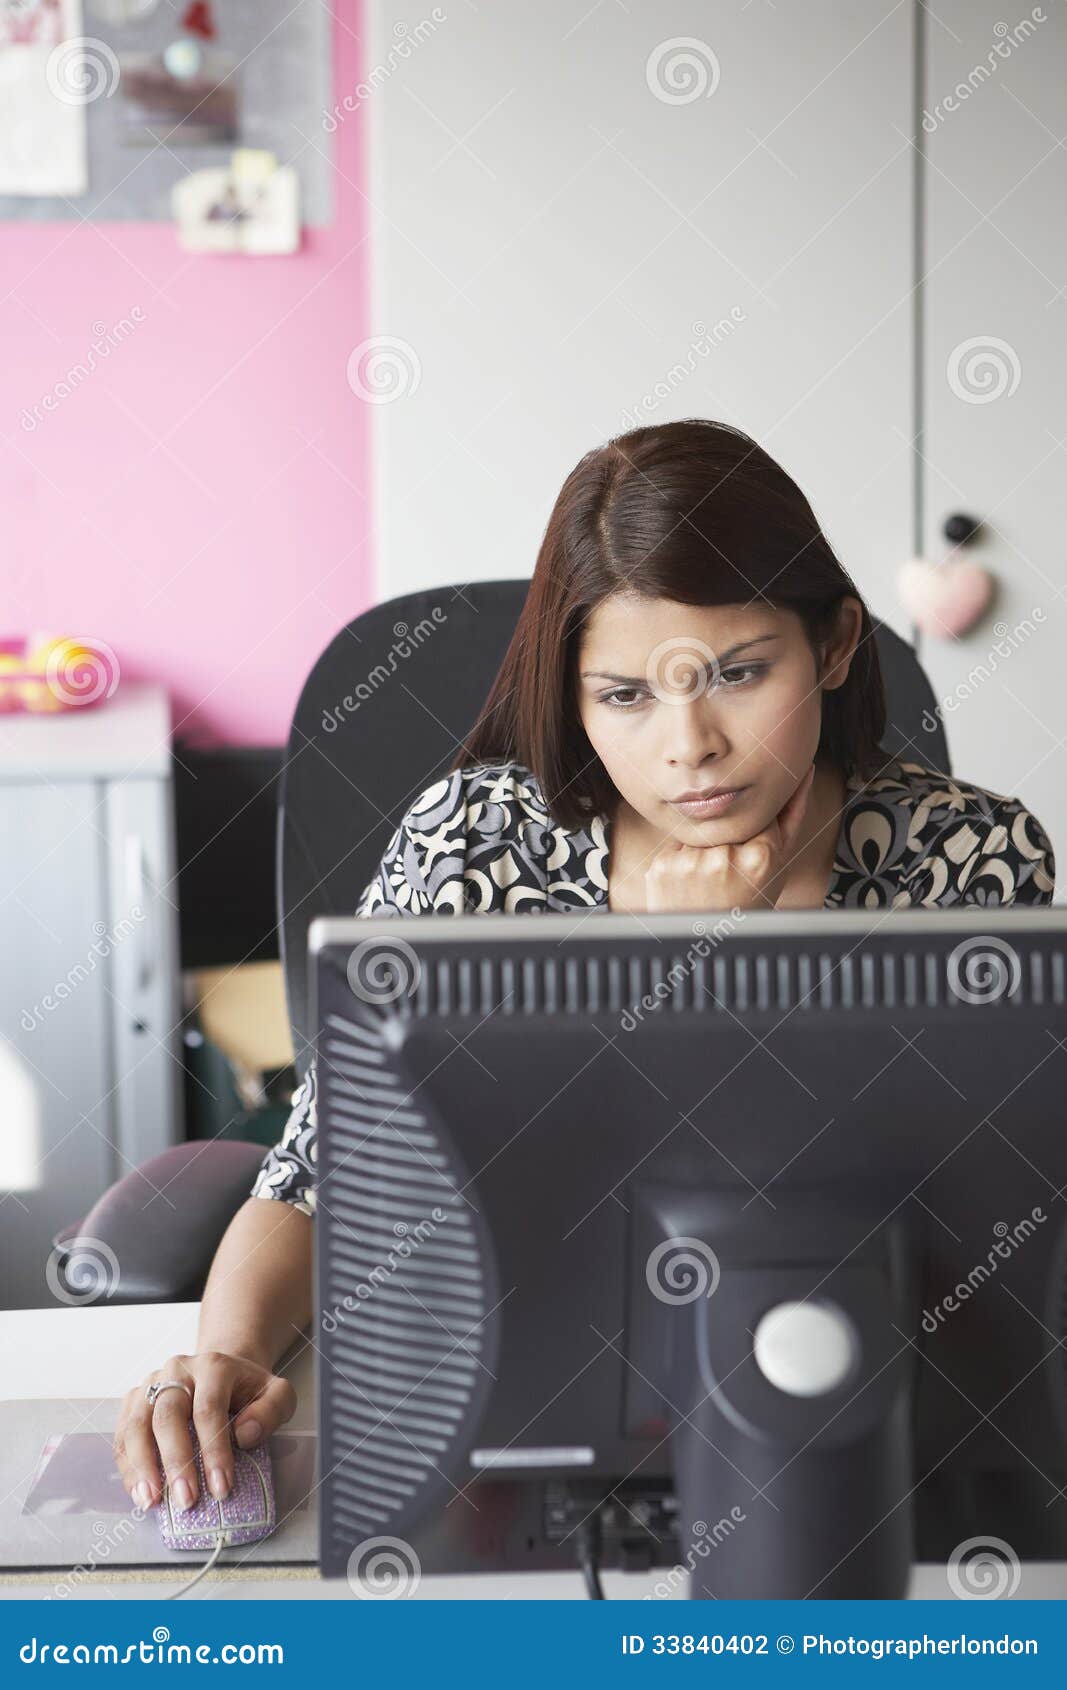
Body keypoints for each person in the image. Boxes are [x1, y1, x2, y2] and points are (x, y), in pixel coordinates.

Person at [112, 417, 1056, 1516]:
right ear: (569, 692)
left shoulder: (967, 859)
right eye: (624, 695)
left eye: (739, 673)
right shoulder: (473, 845)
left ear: (834, 645)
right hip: (510, 1457)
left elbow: (995, 1227)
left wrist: (722, 969)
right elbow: (323, 1177)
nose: (689, 744)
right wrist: (227, 1354)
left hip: (867, 1436)